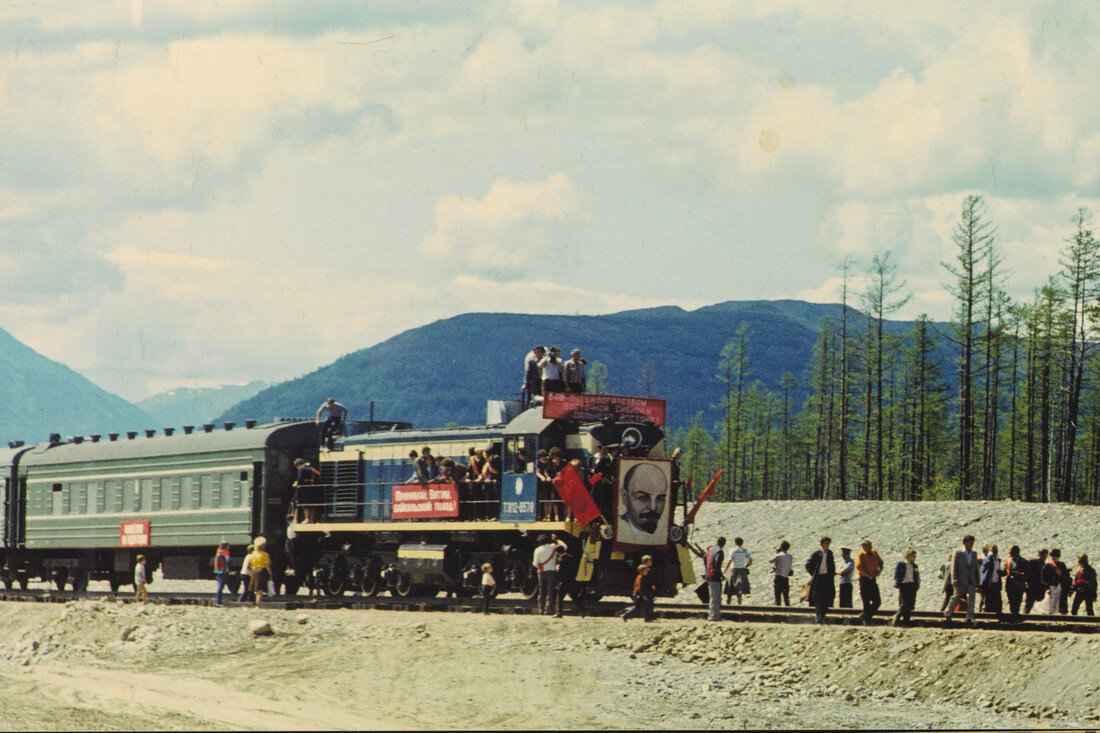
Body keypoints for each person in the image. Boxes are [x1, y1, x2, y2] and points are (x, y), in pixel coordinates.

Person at [617, 461, 669, 544]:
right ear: (625, 497)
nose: (653, 507)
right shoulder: (618, 528)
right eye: (643, 497)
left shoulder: (664, 534)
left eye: (660, 498)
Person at [944, 534, 980, 625]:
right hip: (960, 580)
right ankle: (948, 613)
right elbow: (954, 567)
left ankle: (970, 616)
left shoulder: (974, 553)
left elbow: (976, 567)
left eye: (972, 543)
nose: (971, 545)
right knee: (956, 596)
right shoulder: (958, 553)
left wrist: (977, 580)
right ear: (965, 543)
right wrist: (954, 579)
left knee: (972, 598)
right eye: (969, 543)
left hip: (971, 580)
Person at [805, 537, 836, 624]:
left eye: (828, 544)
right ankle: (819, 618)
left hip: (827, 578)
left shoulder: (829, 553)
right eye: (826, 543)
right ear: (821, 544)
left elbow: (832, 565)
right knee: (819, 598)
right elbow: (808, 565)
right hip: (819, 578)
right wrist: (813, 574)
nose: (827, 545)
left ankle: (823, 617)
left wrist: (832, 575)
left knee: (827, 597)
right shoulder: (817, 554)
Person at [532, 534, 563, 616]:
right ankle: (549, 610)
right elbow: (564, 547)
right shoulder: (553, 547)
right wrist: (557, 540)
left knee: (541, 591)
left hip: (541, 571)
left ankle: (541, 610)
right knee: (550, 591)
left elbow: (535, 564)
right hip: (551, 571)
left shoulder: (537, 550)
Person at [855, 540, 883, 625]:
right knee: (866, 602)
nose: (868, 548)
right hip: (864, 580)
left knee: (877, 601)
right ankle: (867, 621)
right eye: (865, 546)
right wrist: (868, 575)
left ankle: (865, 615)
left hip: (873, 579)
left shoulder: (874, 553)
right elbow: (859, 567)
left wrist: (879, 571)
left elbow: (881, 563)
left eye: (869, 546)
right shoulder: (861, 554)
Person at [892, 548, 920, 626]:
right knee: (904, 603)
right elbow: (897, 574)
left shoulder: (914, 566)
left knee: (910, 604)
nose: (914, 557)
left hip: (912, 585)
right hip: (904, 585)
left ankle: (906, 621)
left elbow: (916, 575)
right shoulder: (901, 564)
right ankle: (897, 616)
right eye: (912, 556)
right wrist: (898, 583)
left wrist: (917, 585)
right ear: (908, 556)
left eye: (915, 556)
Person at [723, 537, 752, 606]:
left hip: (734, 569)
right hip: (742, 570)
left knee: (730, 587)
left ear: (735, 542)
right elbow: (750, 560)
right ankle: (739, 604)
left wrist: (724, 570)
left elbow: (729, 561)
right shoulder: (745, 550)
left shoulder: (733, 550)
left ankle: (728, 604)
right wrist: (746, 566)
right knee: (739, 588)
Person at [293, 458, 322, 523]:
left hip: (305, 489)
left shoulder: (302, 469)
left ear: (298, 465)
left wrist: (296, 484)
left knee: (306, 504)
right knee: (312, 504)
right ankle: (312, 519)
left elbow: (300, 479)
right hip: (313, 488)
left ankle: (307, 519)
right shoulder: (311, 468)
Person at [704, 537, 726, 622]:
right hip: (714, 576)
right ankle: (714, 616)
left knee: (713, 596)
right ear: (724, 543)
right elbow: (717, 564)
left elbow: (704, 557)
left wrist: (706, 570)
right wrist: (721, 575)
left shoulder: (711, 549)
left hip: (709, 574)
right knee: (715, 596)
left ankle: (713, 615)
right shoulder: (720, 551)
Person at [1002, 545, 1028, 618]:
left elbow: (1027, 574)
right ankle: (1013, 617)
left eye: (1011, 552)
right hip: (1010, 586)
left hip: (1019, 586)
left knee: (1017, 603)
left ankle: (1016, 618)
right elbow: (1004, 571)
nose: (1009, 554)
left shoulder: (1024, 562)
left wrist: (1018, 574)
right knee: (1011, 603)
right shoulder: (1008, 561)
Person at [979, 544, 1003, 615]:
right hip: (989, 584)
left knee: (997, 602)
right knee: (987, 602)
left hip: (996, 583)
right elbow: (987, 564)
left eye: (995, 550)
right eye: (993, 550)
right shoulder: (987, 558)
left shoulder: (997, 560)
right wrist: (990, 555)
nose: (994, 552)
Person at [249, 537, 272, 606]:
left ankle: (256, 601)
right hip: (262, 571)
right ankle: (258, 603)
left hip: (254, 570)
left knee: (255, 587)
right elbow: (267, 565)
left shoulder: (253, 553)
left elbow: (250, 564)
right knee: (260, 588)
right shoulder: (265, 554)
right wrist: (270, 573)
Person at [1025, 548, 1049, 614]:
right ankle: (1025, 615)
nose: (1045, 557)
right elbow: (1028, 573)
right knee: (1029, 603)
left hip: (1041, 586)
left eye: (1046, 556)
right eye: (1044, 555)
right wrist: (1028, 583)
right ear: (1040, 555)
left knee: (1040, 601)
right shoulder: (1033, 562)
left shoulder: (1045, 564)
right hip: (1033, 586)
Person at [769, 541, 793, 606]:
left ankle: (778, 610)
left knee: (778, 596)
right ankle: (788, 609)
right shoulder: (790, 556)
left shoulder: (779, 555)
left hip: (779, 577)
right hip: (786, 578)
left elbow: (770, 561)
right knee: (786, 596)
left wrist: (777, 552)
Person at [1043, 549, 1067, 615]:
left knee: (1059, 602)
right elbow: (1044, 578)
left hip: (1059, 586)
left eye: (1055, 556)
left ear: (1058, 557)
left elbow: (1065, 576)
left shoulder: (1062, 565)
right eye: (1052, 556)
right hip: (1051, 586)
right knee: (1050, 603)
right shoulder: (1048, 565)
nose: (1053, 557)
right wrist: (1047, 588)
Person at [213, 541, 231, 607]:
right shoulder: (225, 552)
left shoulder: (218, 551)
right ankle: (218, 602)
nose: (229, 547)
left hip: (218, 570)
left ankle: (218, 601)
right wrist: (227, 567)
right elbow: (228, 560)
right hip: (223, 570)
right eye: (228, 546)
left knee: (220, 586)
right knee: (221, 586)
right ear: (226, 546)